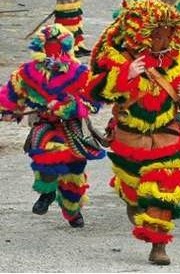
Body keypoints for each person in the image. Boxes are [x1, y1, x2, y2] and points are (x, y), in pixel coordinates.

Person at [89, 0, 180, 265]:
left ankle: (158, 245)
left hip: (168, 135)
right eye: (156, 33)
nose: (162, 39)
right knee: (134, 192)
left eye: (166, 33)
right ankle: (134, 201)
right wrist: (126, 74)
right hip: (130, 137)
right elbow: (94, 91)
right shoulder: (117, 58)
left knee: (164, 190)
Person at [0, 24, 104, 227]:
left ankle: (71, 209)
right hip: (44, 123)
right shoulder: (28, 72)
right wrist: (8, 110)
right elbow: (12, 93)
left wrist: (69, 106)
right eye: (49, 46)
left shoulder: (80, 72)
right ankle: (47, 192)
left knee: (74, 171)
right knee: (47, 154)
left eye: (57, 46)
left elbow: (93, 102)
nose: (53, 51)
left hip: (73, 125)